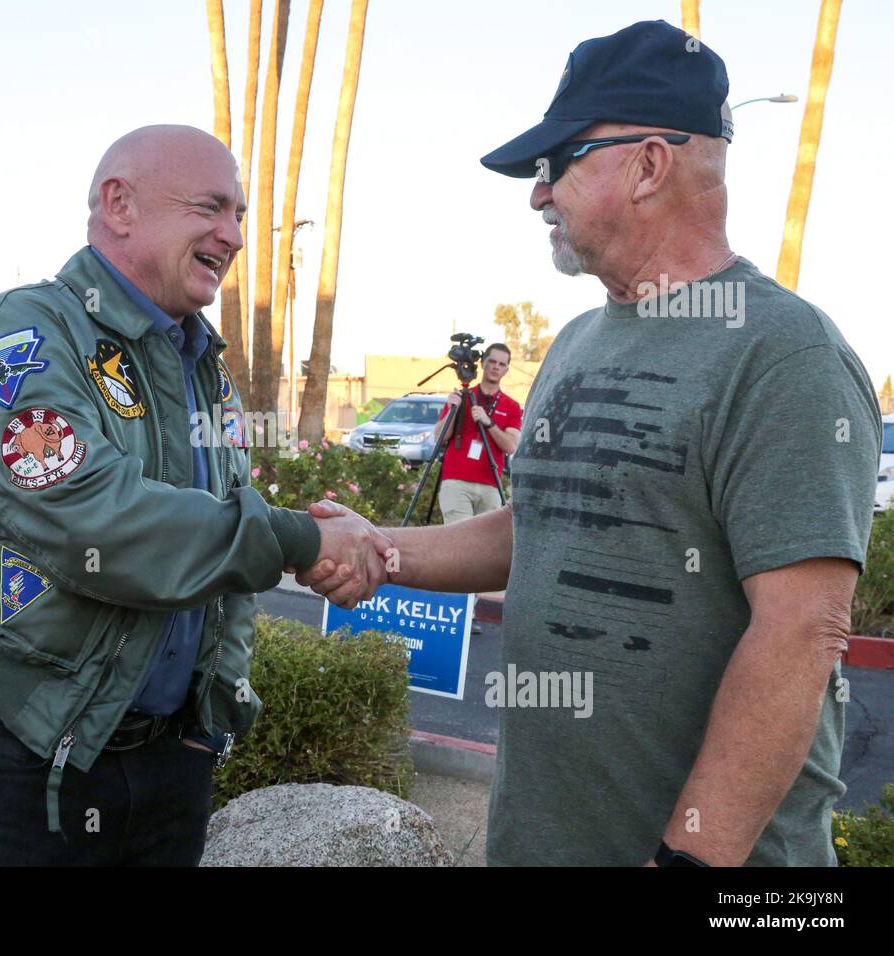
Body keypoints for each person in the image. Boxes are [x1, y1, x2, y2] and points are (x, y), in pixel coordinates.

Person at [300, 21, 879, 867]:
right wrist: (378, 547)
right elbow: (537, 524)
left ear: (648, 165)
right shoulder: (576, 341)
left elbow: (804, 629)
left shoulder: (784, 354)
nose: (538, 195)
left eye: (556, 163)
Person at [0, 124, 390, 866]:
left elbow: (219, 552)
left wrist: (207, 725)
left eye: (239, 216)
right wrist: (303, 539)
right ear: (119, 204)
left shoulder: (202, 365)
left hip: (165, 767)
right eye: (210, 208)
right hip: (11, 757)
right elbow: (90, 516)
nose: (232, 236)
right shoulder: (23, 331)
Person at [431, 343, 522, 523]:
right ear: (482, 363)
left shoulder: (511, 406)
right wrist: (453, 410)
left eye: (502, 364)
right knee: (459, 539)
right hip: (456, 480)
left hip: (490, 483)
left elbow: (511, 446)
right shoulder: (463, 396)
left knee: (487, 545)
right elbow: (439, 437)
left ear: (506, 369)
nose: (496, 367)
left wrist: (489, 423)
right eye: (492, 361)